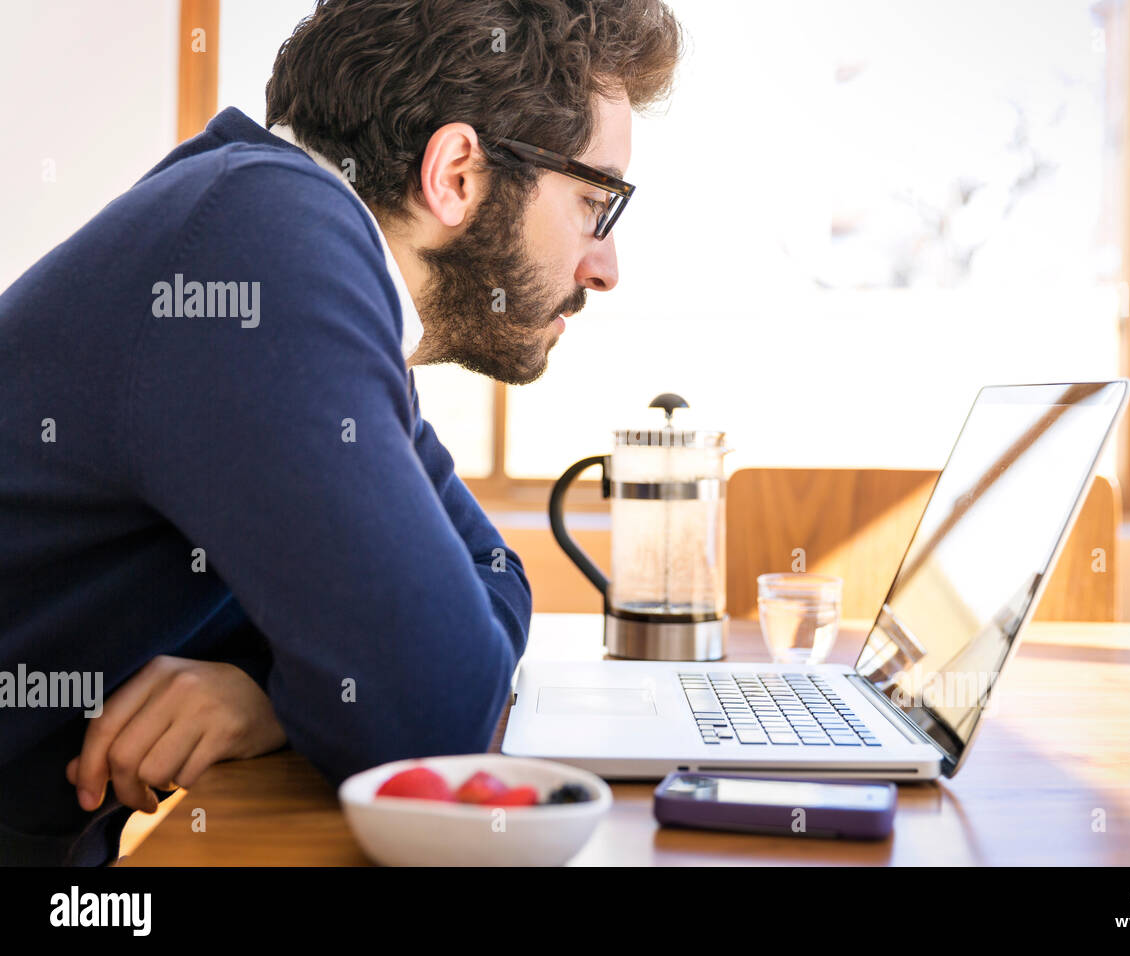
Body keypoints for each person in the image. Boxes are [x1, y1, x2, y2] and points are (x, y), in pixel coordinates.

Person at [0, 0, 682, 865]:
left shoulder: (293, 239)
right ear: (457, 174)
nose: (606, 266)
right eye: (596, 201)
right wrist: (312, 691)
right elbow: (434, 710)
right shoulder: (263, 249)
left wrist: (263, 694)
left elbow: (494, 577)